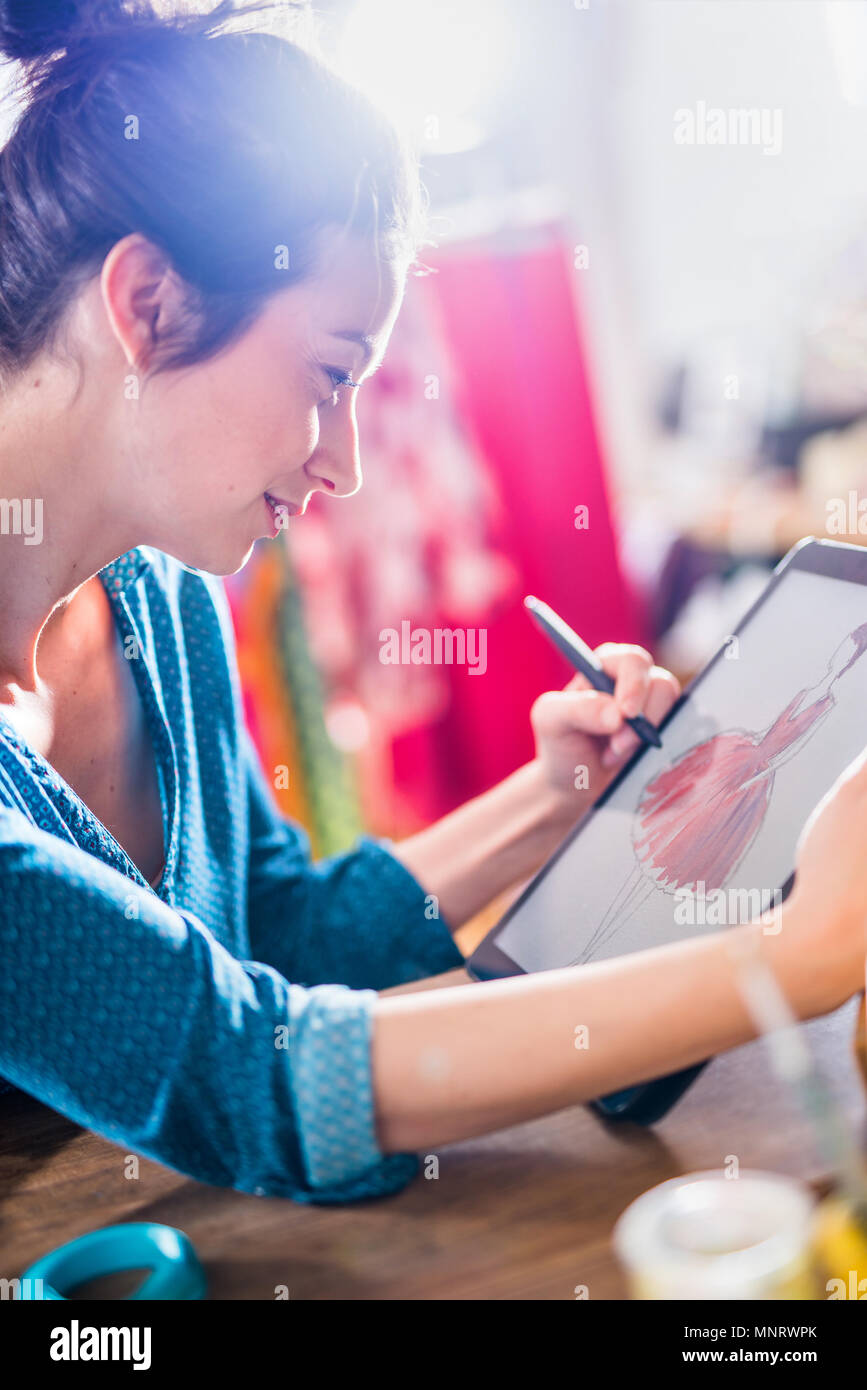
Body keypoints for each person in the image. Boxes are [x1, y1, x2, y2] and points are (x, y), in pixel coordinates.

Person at [0, 0, 864, 1206]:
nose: (345, 462)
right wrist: (801, 953)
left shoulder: (160, 595)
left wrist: (552, 802)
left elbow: (270, 936)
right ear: (146, 305)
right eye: (330, 375)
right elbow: (254, 1072)